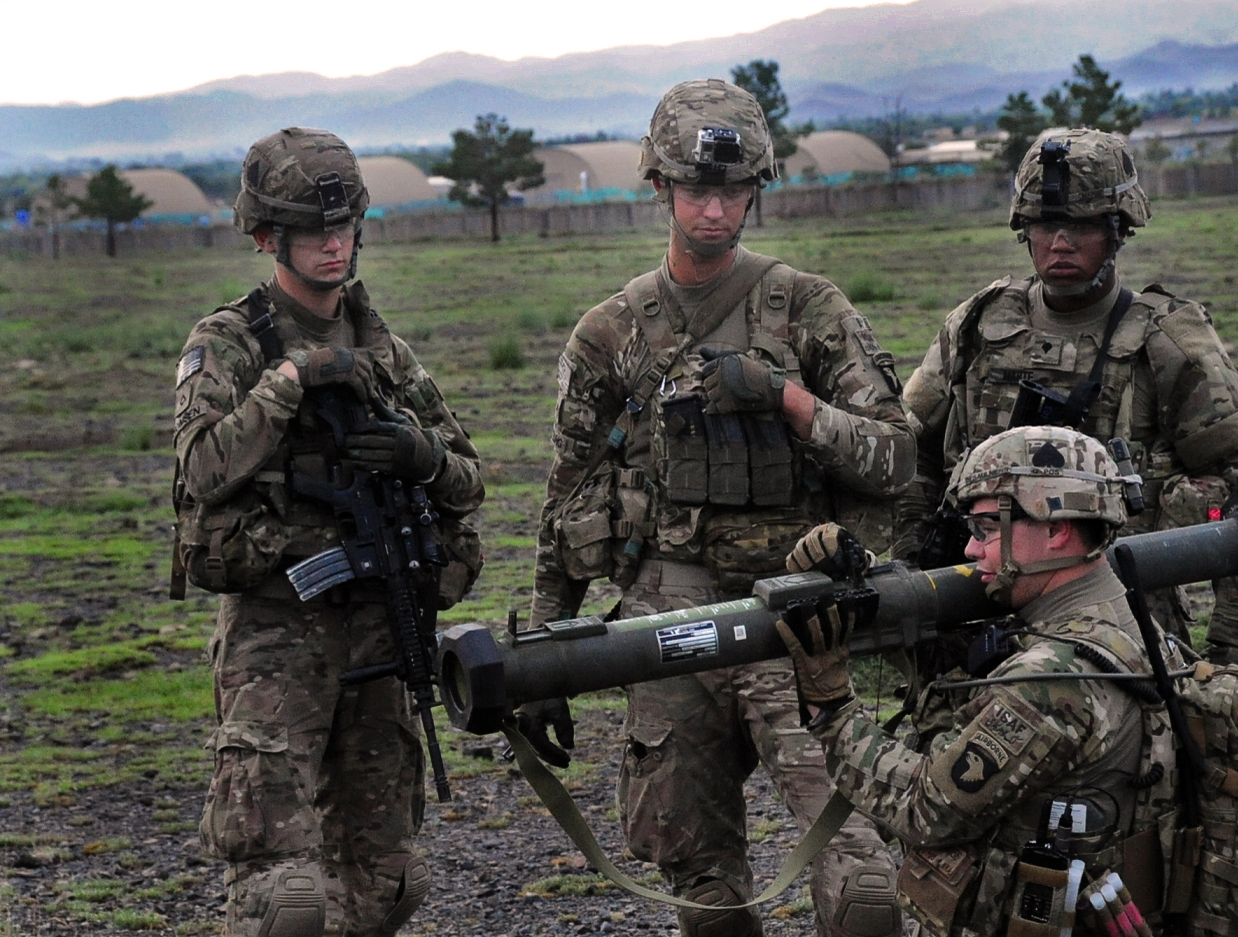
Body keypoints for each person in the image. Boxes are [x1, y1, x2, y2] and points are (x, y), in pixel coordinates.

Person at [524, 79, 914, 937]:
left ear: (756, 190)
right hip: (671, 618)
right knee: (703, 884)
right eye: (694, 188)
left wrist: (790, 402)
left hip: (799, 614)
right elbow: (568, 496)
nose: (712, 207)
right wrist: (545, 656)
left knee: (860, 887)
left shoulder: (808, 309)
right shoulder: (611, 331)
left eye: (731, 189)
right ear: (658, 188)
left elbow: (896, 457)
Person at [173, 127, 484, 937]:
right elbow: (202, 470)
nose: (333, 244)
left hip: (381, 629)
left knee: (388, 882)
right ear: (266, 236)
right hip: (276, 635)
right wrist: (288, 383)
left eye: (344, 227)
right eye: (313, 230)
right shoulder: (229, 342)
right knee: (285, 899)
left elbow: (467, 477)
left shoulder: (384, 349)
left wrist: (418, 455)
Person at [778, 425, 1182, 937]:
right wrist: (871, 577)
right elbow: (978, 659)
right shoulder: (1125, 623)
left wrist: (832, 708)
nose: (970, 548)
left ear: (1057, 528)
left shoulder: (1051, 682)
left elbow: (925, 809)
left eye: (988, 528)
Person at [897, 128, 1238, 669]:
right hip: (976, 605)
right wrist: (914, 578)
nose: (1061, 242)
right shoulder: (978, 323)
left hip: (1120, 621)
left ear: (1118, 231)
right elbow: (915, 454)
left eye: (1083, 225)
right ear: (1024, 230)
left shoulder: (1169, 341)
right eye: (1046, 224)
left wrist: (1233, 651)